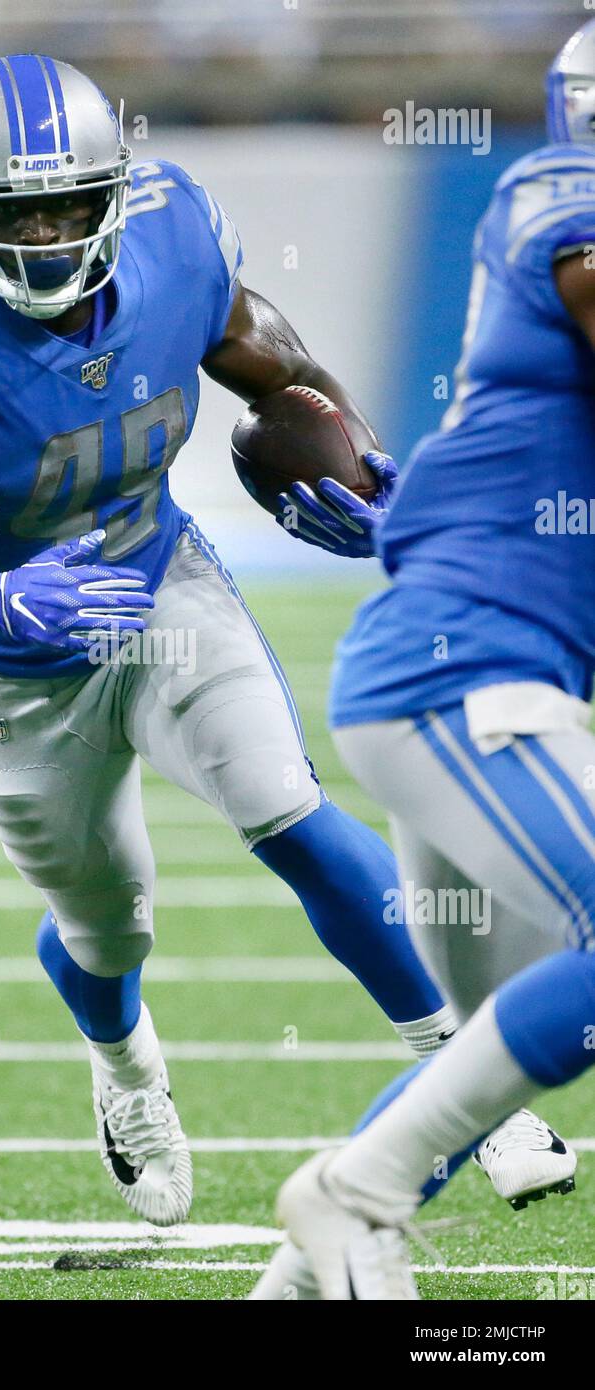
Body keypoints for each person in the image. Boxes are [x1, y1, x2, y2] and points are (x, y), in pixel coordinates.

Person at [0, 54, 555, 1230]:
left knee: (287, 809)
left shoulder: (175, 236)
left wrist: (361, 470)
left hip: (158, 584)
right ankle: (129, 1070)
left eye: (66, 205)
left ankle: (470, 1083)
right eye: (11, 213)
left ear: (114, 191)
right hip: (19, 660)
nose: (43, 235)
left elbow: (282, 377)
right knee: (106, 917)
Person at [266, 22, 595, 1298]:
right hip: (457, 681)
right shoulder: (554, 193)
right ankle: (354, 1193)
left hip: (492, 681)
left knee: (488, 1063)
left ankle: (298, 1278)